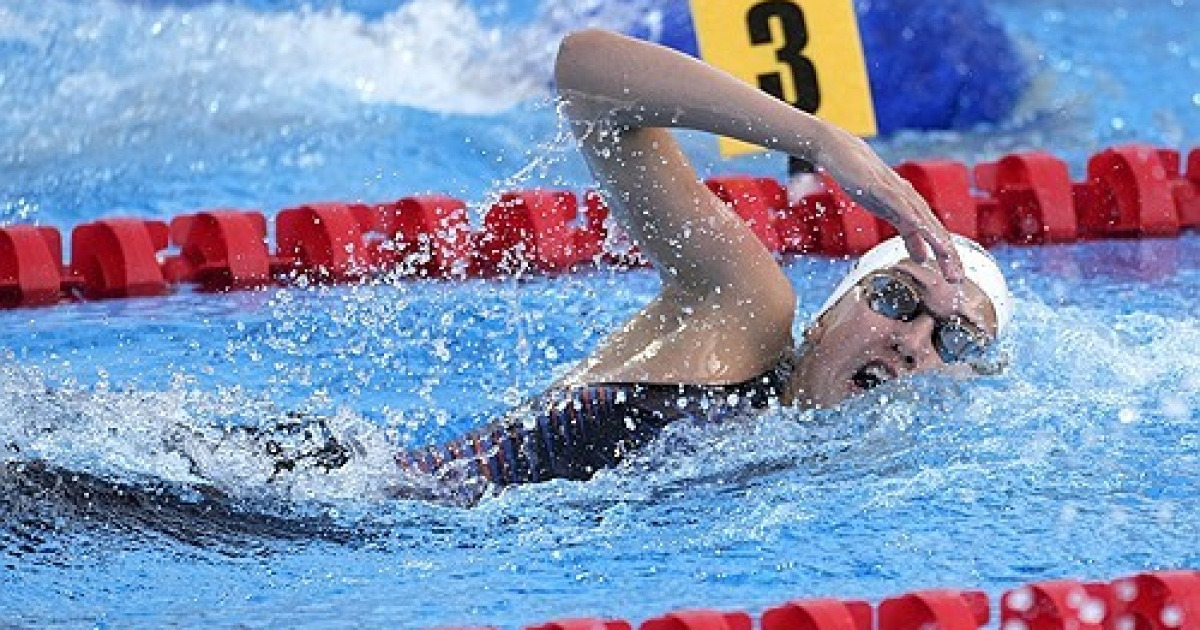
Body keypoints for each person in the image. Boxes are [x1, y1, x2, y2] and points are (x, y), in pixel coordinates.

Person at [383, 30, 1012, 503]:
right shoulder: (744, 318)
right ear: (825, 318)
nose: (911, 343)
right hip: (342, 501)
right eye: (897, 299)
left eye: (953, 340)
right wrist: (822, 142)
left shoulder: (839, 490)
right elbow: (584, 68)